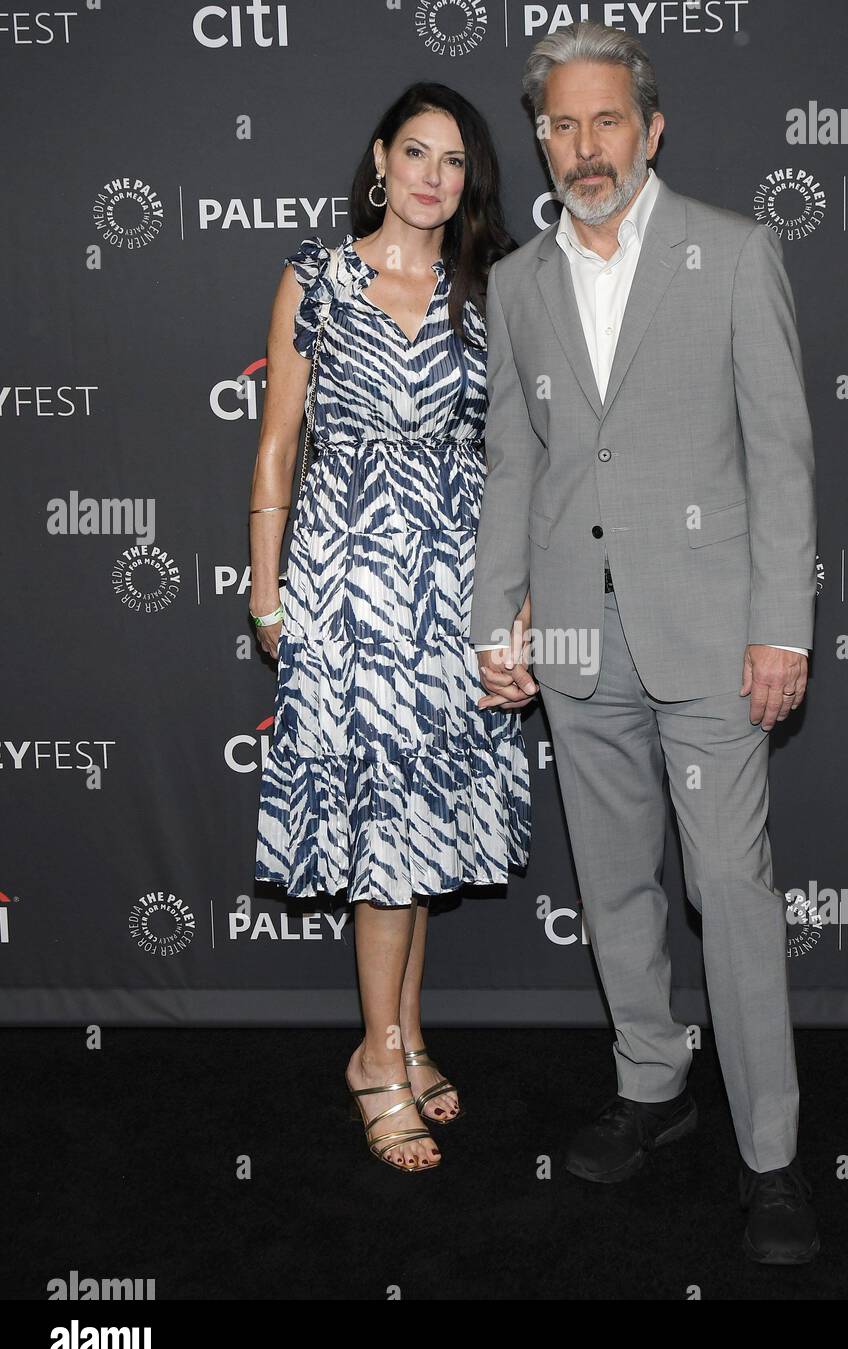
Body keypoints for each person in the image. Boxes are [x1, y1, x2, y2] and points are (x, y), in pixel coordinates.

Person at [471, 22, 819, 1262]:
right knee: (613, 886)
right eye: (560, 125)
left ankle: (769, 1157)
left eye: (604, 120)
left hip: (713, 633)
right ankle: (651, 1087)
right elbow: (515, 457)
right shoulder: (515, 281)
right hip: (572, 633)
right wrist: (491, 614)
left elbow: (778, 455)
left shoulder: (729, 253)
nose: (583, 146)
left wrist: (782, 625)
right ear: (540, 139)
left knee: (727, 889)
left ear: (649, 127)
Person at [249, 85, 531, 1174]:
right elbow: (278, 445)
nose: (431, 175)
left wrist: (511, 608)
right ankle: (374, 1056)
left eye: (453, 160)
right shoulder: (314, 278)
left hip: (454, 585)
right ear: (379, 158)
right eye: (415, 152)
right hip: (342, 577)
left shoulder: (491, 291)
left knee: (419, 825)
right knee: (380, 832)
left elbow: (515, 464)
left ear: (471, 181)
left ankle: (406, 1037)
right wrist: (266, 590)